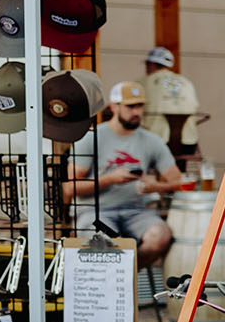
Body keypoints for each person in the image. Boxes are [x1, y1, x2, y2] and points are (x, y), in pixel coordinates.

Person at [63, 81, 182, 267]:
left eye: (140, 106)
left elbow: (179, 182)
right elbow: (70, 188)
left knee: (160, 236)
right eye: (130, 106)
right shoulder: (90, 138)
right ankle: (122, 280)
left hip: (136, 211)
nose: (136, 112)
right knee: (106, 242)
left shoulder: (151, 140)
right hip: (96, 211)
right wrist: (110, 179)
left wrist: (155, 187)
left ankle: (126, 277)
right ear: (114, 107)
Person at [141, 45, 202, 159]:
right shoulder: (186, 82)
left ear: (152, 64)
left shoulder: (143, 82)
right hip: (188, 144)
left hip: (156, 142)